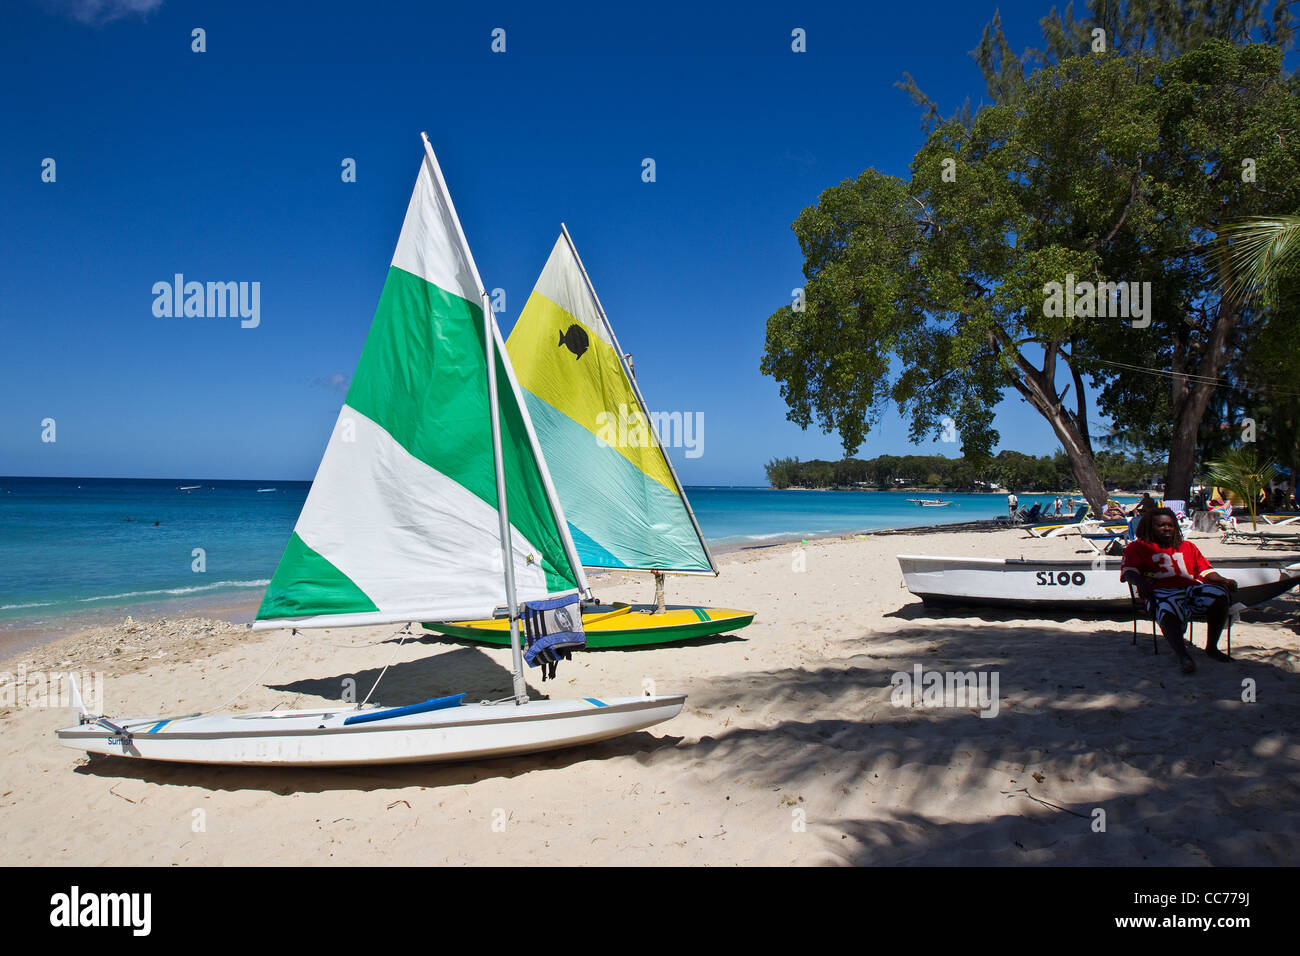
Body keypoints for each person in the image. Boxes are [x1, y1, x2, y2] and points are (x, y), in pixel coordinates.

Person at [1120, 507, 1237, 674]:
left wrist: (1224, 580)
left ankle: (1211, 648)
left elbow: (1206, 572)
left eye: (1170, 525)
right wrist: (1141, 583)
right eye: (1161, 525)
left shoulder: (1188, 546)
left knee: (1219, 596)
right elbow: (1130, 572)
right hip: (1159, 592)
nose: (1167, 528)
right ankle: (1183, 656)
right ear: (1149, 527)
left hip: (1190, 590)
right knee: (1167, 605)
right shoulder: (1137, 547)